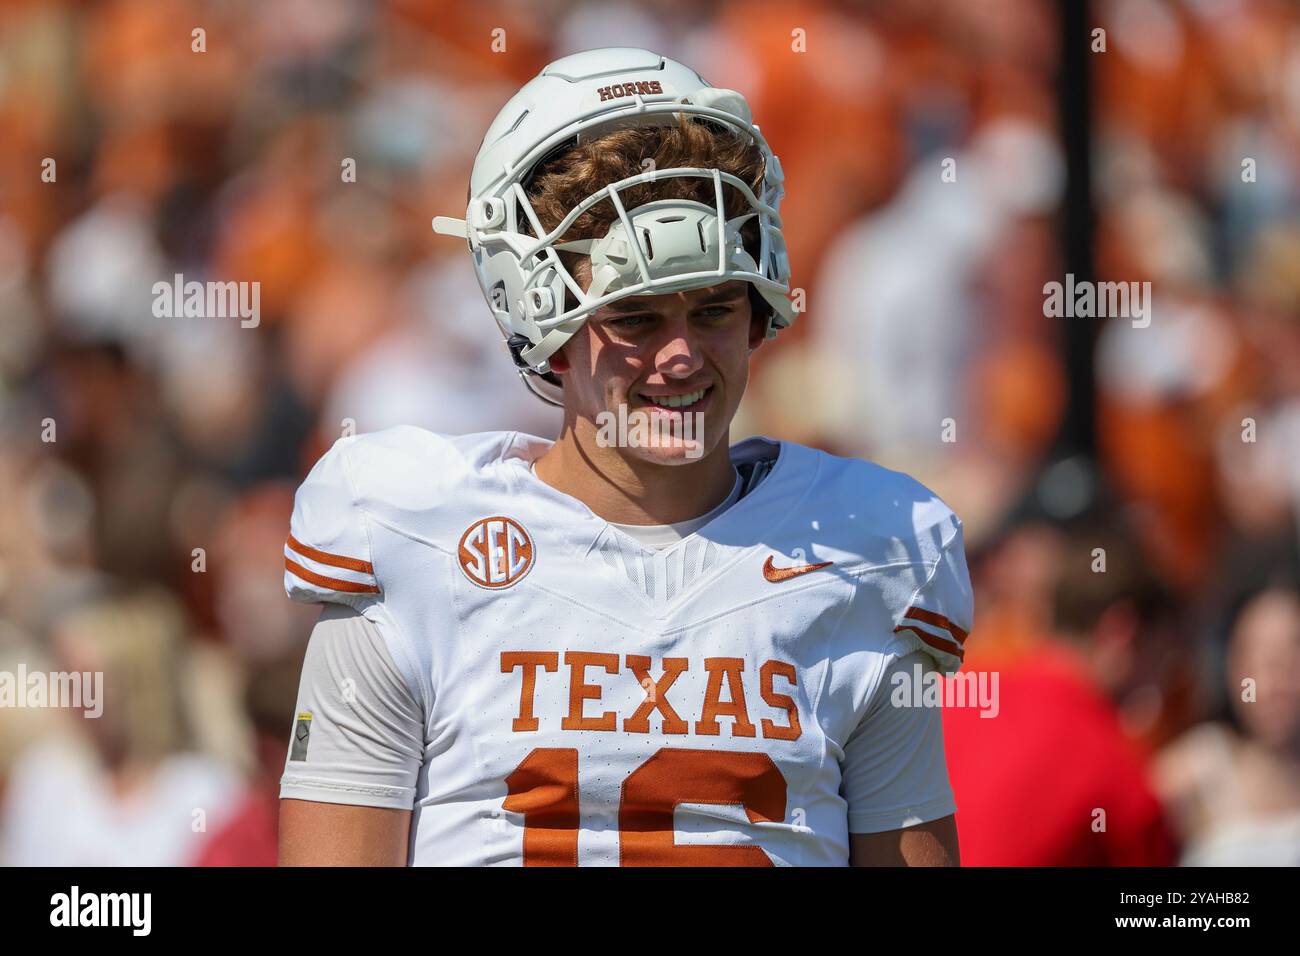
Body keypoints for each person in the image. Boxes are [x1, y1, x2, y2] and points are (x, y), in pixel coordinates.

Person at [277, 47, 972, 866]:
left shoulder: (862, 554)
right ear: (547, 325)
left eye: (714, 309)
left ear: (760, 315)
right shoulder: (415, 544)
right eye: (636, 319)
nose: (680, 357)